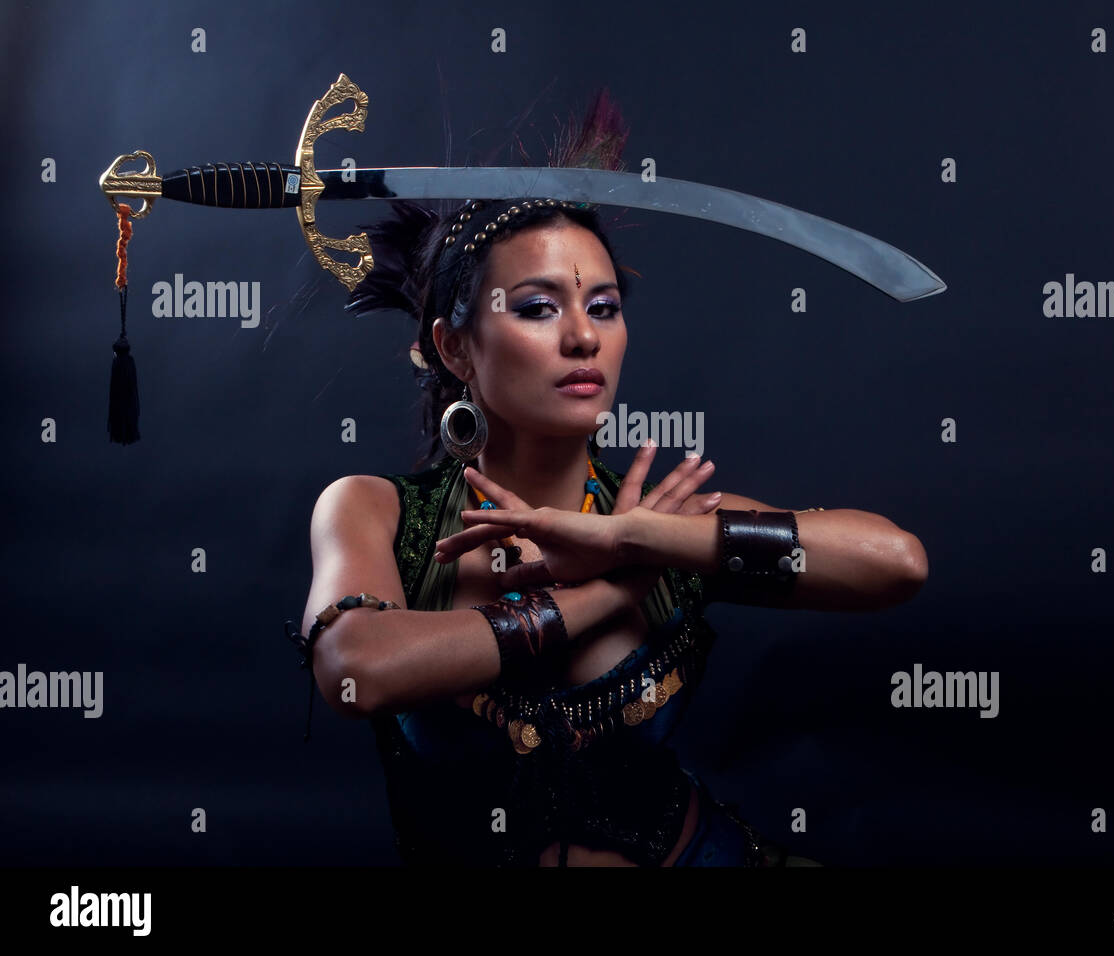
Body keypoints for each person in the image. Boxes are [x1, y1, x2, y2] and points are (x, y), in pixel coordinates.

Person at [292, 96, 928, 866]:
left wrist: (633, 537)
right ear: (455, 349)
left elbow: (895, 563)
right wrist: (604, 594)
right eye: (535, 308)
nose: (583, 335)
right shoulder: (378, 512)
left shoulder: (672, 525)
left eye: (604, 306)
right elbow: (354, 668)